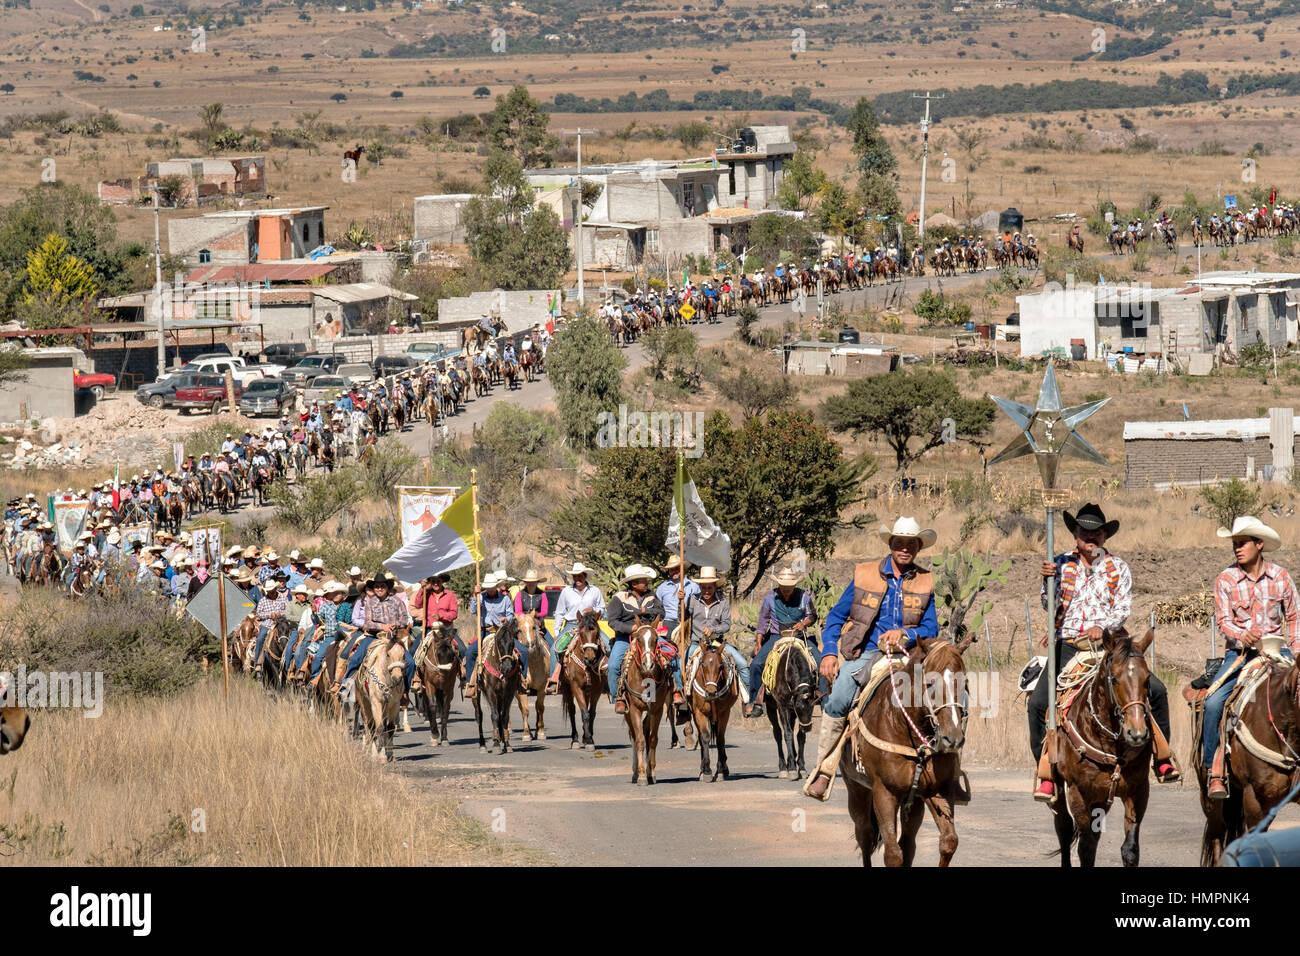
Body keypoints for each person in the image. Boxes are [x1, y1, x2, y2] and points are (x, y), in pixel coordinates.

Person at [1029, 503, 1178, 802]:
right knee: (1038, 703)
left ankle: (1161, 757)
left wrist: (1103, 628)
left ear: (1104, 536)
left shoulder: (1117, 567)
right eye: (1085, 531)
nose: (1090, 537)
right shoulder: (1058, 563)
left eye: (1096, 532)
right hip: (1069, 643)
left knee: (1157, 691)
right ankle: (1046, 770)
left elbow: (1122, 607)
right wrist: (1049, 581)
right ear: (1075, 533)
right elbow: (1050, 606)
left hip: (1110, 645)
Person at [804, 517, 940, 801]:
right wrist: (829, 651)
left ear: (918, 547)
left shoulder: (925, 580)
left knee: (945, 692)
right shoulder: (865, 574)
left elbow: (931, 628)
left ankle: (946, 768)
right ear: (890, 544)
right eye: (899, 543)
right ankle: (825, 769)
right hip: (866, 652)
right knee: (839, 697)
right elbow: (835, 618)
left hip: (908, 654)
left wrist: (904, 632)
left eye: (911, 544)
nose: (905, 549)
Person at [1204, 516, 1300, 799]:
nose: (1237, 548)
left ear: (1259, 544)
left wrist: (1297, 652)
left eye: (1242, 542)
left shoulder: (1280, 577)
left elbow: (1294, 617)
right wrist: (1241, 634)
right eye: (1234, 543)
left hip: (1278, 651)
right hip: (1240, 654)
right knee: (1212, 703)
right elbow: (1222, 620)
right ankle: (1214, 769)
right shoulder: (1226, 579)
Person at [674, 567, 752, 715]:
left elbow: (727, 624)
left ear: (715, 587)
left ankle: (748, 699)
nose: (706, 591)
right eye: (703, 587)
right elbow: (682, 618)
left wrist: (714, 630)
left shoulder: (722, 602)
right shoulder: (692, 599)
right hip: (698, 643)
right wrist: (681, 603)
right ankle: (682, 698)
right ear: (700, 587)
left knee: (741, 663)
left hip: (717, 644)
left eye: (710, 587)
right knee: (680, 664)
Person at [750, 566, 819, 715]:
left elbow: (812, 615)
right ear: (779, 585)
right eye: (784, 587)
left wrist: (803, 624)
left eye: (789, 587)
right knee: (756, 664)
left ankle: (823, 698)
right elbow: (763, 621)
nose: (786, 590)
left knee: (819, 661)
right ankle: (755, 701)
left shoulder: (804, 596)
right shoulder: (770, 597)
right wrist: (759, 642)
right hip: (777, 636)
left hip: (799, 636)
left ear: (794, 585)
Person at [338, 574, 414, 693]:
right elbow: (367, 623)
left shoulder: (396, 601)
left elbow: (404, 619)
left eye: (382, 586)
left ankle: (405, 691)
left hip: (392, 639)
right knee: (355, 659)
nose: (379, 588)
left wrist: (396, 624)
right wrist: (382, 626)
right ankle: (346, 687)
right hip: (373, 637)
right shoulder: (370, 602)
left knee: (410, 662)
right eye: (377, 586)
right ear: (373, 588)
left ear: (387, 587)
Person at [606, 564, 664, 715]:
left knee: (669, 660)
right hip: (626, 637)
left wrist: (644, 611)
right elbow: (612, 621)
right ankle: (618, 697)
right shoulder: (619, 599)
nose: (646, 583)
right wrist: (630, 628)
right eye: (643, 580)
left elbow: (660, 611)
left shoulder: (652, 596)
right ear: (633, 584)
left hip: (649, 636)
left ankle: (673, 690)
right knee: (613, 665)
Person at [547, 561, 606, 693]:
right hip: (572, 624)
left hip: (590, 625)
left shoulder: (595, 591)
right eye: (575, 576)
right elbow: (560, 612)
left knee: (607, 645)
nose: (577, 579)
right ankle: (554, 679)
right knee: (554, 649)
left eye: (580, 576)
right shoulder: (566, 592)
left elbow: (602, 608)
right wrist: (557, 631)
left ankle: (607, 679)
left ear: (585, 576)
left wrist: (594, 609)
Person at [464, 573, 522, 697]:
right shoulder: (481, 597)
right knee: (470, 653)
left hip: (502, 632)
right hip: (485, 631)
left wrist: (507, 619)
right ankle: (471, 683)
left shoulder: (505, 598)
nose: (490, 589)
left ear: (496, 586)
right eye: (488, 587)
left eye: (492, 587)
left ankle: (522, 681)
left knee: (523, 651)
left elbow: (511, 615)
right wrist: (475, 596)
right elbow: (474, 610)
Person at [655, 555, 699, 650]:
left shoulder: (694, 587)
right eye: (671, 569)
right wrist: (659, 621)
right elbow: (657, 608)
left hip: (687, 623)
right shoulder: (662, 588)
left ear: (683, 569)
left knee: (687, 652)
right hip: (668, 622)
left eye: (677, 568)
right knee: (667, 651)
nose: (674, 571)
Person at [252, 580, 289, 675]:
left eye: (272, 590)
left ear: (275, 589)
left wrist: (280, 614)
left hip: (281, 623)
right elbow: (259, 614)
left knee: (288, 637)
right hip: (268, 624)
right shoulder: (263, 600)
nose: (270, 592)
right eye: (268, 591)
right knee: (260, 638)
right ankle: (258, 662)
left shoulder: (283, 598)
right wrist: (269, 615)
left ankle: (289, 661)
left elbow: (288, 611)